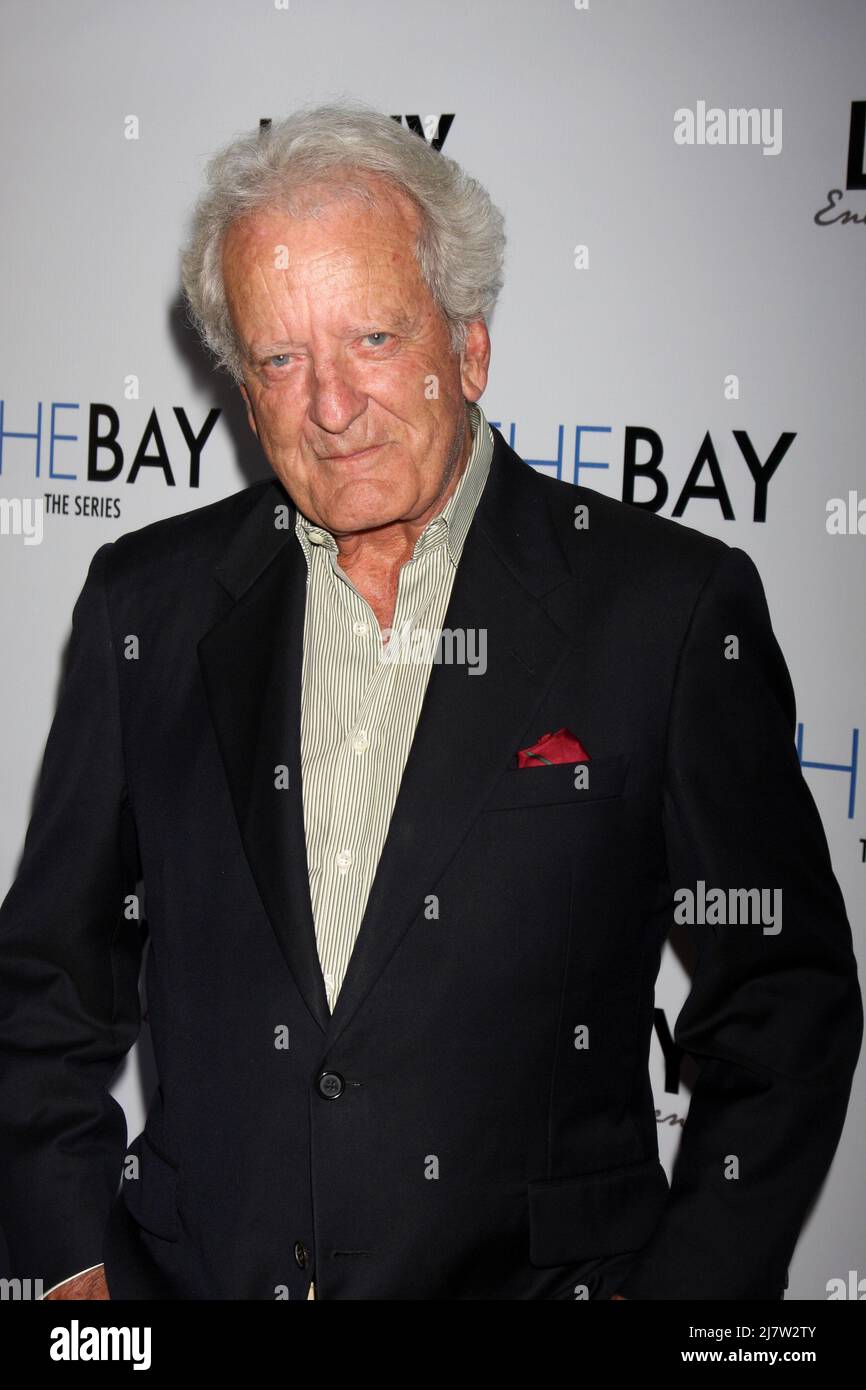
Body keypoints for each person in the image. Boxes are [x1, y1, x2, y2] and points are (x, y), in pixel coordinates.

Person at [0, 100, 861, 1301]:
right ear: (243, 389)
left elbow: (782, 1002)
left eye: (370, 338)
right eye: (280, 358)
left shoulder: (661, 611)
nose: (331, 406)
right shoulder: (146, 603)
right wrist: (74, 1273)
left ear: (468, 345)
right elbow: (45, 982)